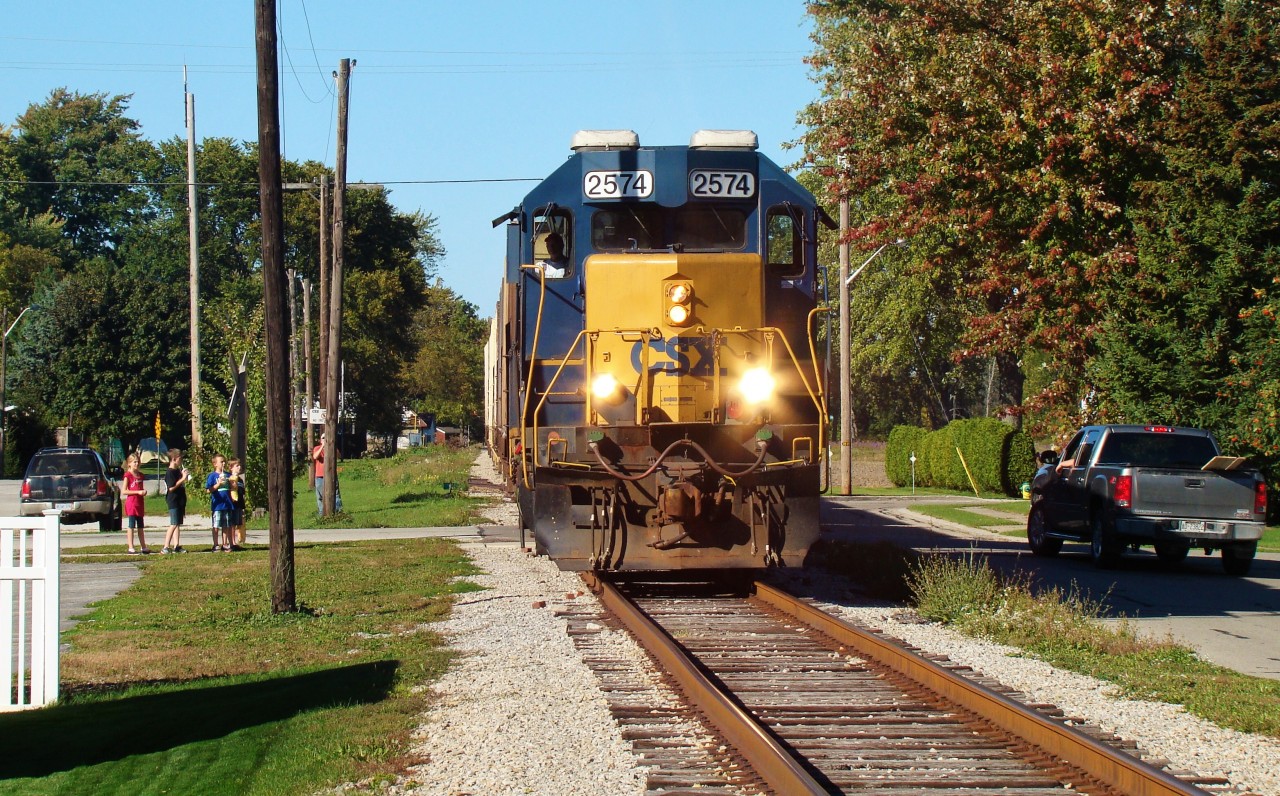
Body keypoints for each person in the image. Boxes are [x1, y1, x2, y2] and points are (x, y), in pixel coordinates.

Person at [161, 449, 190, 554]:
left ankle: (176, 545)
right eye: (180, 459)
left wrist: (184, 476)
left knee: (177, 523)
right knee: (173, 523)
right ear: (173, 459)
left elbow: (181, 483)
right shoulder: (170, 472)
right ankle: (165, 546)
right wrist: (182, 479)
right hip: (173, 500)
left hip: (180, 500)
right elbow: (171, 488)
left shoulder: (177, 471)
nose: (181, 461)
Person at [205, 454, 235, 552]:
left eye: (224, 461)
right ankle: (215, 544)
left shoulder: (227, 475)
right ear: (215, 464)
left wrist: (232, 482)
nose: (224, 463)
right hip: (217, 505)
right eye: (221, 461)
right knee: (216, 525)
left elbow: (232, 487)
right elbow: (208, 490)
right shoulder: (212, 476)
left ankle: (225, 543)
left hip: (227, 504)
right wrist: (218, 484)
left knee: (226, 525)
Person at [122, 453, 150, 554]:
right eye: (134, 462)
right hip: (132, 503)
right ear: (129, 463)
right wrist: (137, 492)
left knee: (140, 526)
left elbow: (140, 488)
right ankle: (131, 546)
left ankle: (143, 546)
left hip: (139, 503)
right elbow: (124, 491)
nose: (136, 464)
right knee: (131, 525)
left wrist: (142, 492)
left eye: (138, 462)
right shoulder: (128, 476)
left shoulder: (140, 475)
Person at [312, 433, 343, 514]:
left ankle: (338, 511)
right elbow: (315, 457)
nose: (325, 439)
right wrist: (322, 446)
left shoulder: (332, 448)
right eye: (323, 438)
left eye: (326, 438)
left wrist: (334, 447)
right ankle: (321, 513)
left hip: (332, 475)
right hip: (320, 476)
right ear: (320, 440)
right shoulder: (317, 448)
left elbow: (339, 456)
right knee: (320, 496)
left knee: (336, 494)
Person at [228, 457, 246, 549]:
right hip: (232, 504)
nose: (239, 467)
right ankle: (232, 543)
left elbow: (242, 491)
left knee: (237, 523)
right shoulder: (230, 478)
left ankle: (237, 541)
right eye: (237, 466)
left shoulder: (240, 480)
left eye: (240, 465)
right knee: (232, 524)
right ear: (231, 467)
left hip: (239, 504)